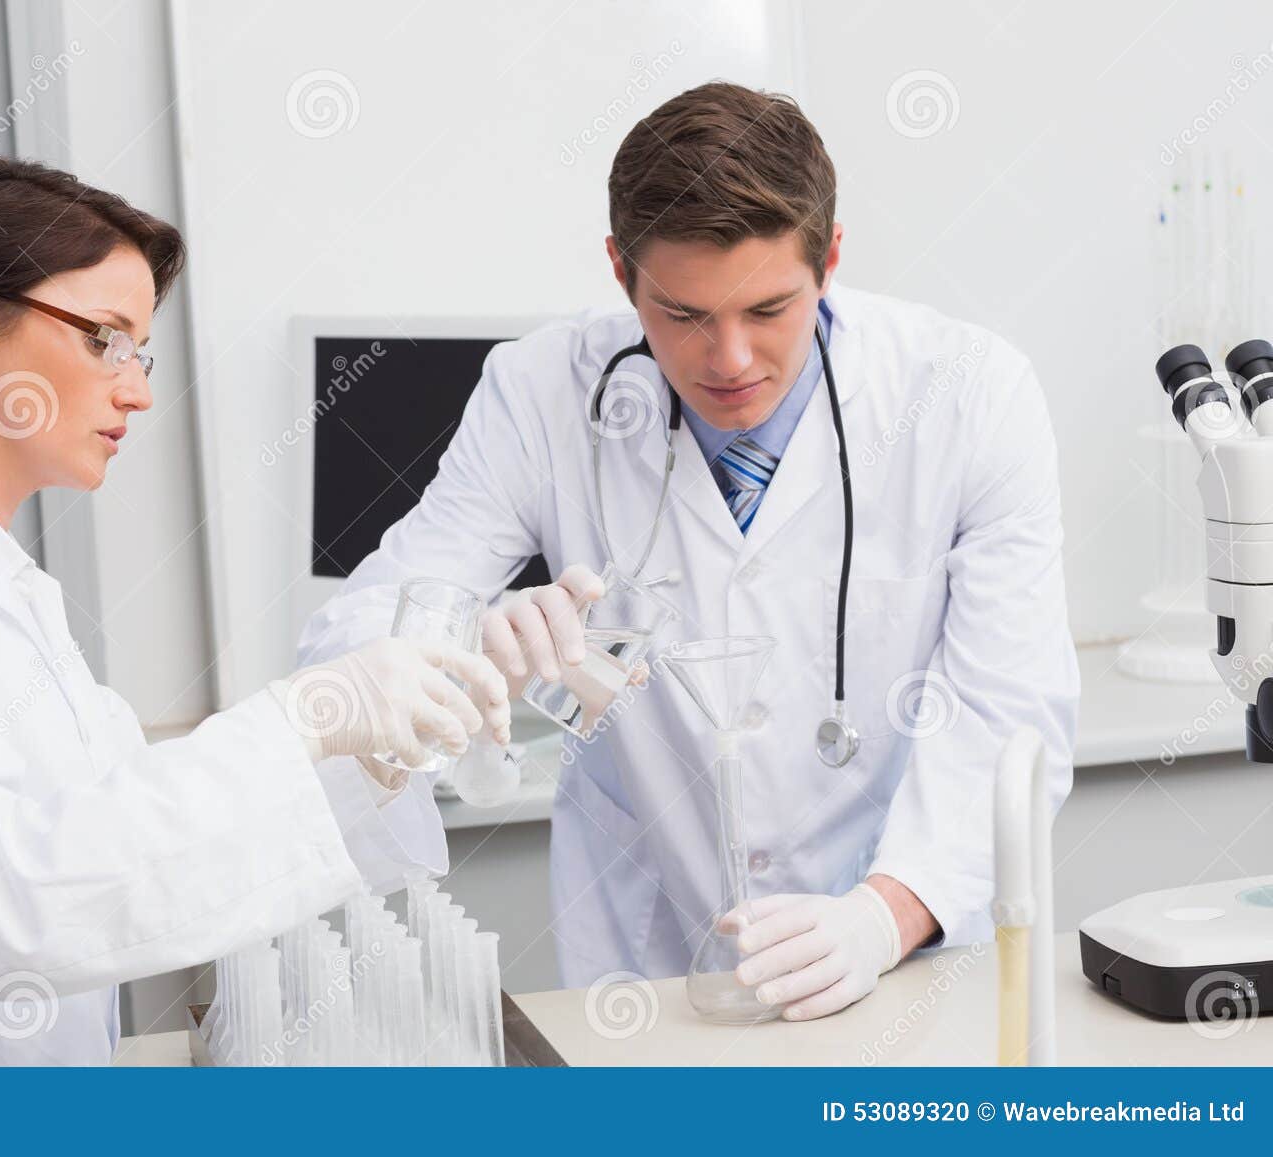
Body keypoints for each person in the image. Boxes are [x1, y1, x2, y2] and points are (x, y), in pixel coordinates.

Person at [299, 82, 1079, 1019]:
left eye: (768, 309)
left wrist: (885, 914)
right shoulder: (539, 392)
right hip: (649, 964)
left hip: (907, 952)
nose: (732, 358)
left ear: (829, 259)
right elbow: (344, 643)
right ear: (621, 273)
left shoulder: (970, 395)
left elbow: (1013, 708)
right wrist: (459, 641)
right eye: (682, 315)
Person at [0, 157, 509, 1065]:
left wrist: (372, 755)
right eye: (104, 338)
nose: (138, 388)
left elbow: (126, 843)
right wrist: (305, 714)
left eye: (138, 351)